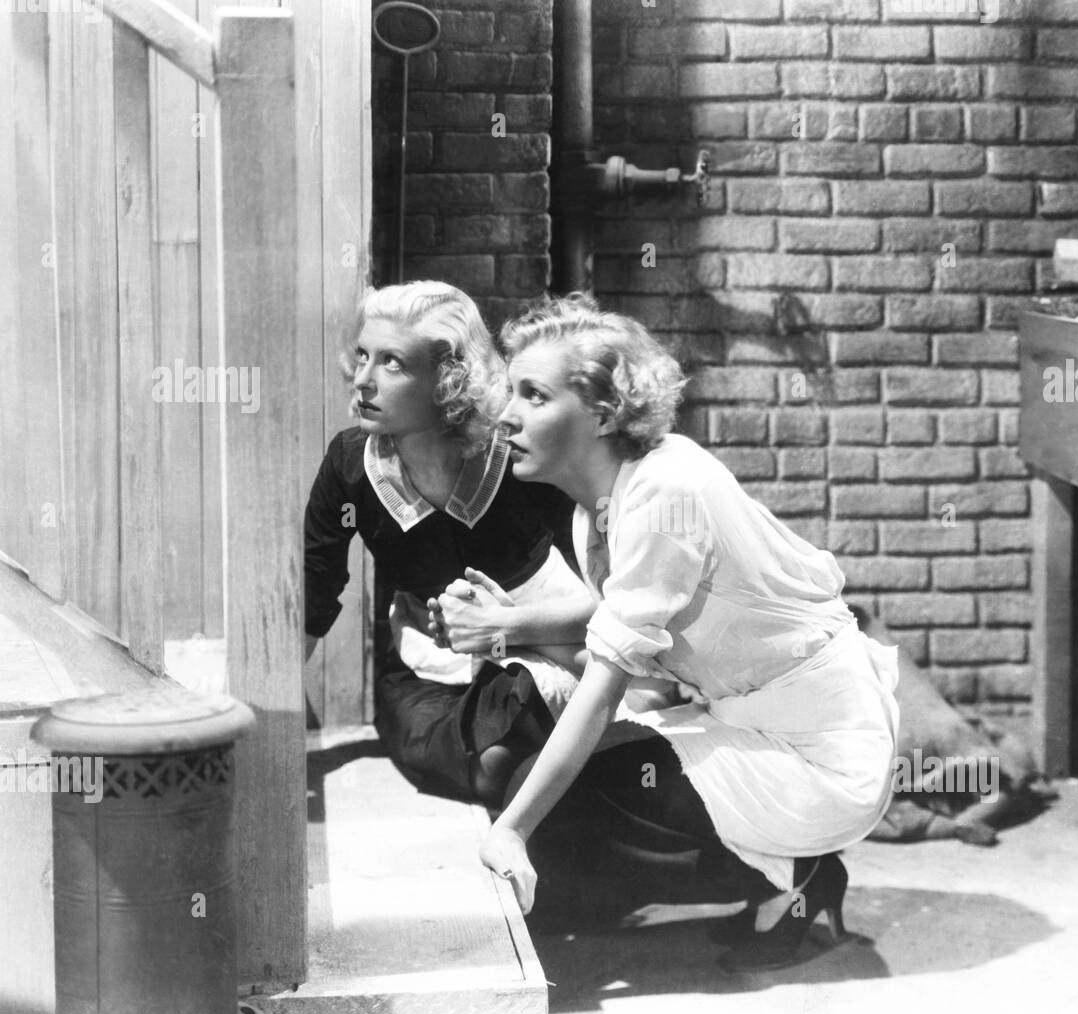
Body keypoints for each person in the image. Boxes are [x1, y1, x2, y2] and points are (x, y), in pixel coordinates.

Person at [482, 294, 902, 972]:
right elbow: (627, 649)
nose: (506, 414)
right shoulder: (603, 508)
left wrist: (511, 832)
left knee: (551, 802)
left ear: (602, 411)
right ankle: (780, 869)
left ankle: (796, 872)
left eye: (532, 394)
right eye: (511, 391)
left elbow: (606, 679)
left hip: (818, 751)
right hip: (750, 719)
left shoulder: (666, 492)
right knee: (526, 768)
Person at [302, 280, 596, 806]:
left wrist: (508, 627)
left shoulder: (518, 453)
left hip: (554, 647)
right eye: (363, 356)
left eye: (393, 363)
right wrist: (260, 727)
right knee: (483, 768)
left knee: (520, 754)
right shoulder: (350, 466)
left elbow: (613, 604)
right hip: (428, 668)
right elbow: (313, 595)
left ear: (448, 378)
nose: (363, 381)